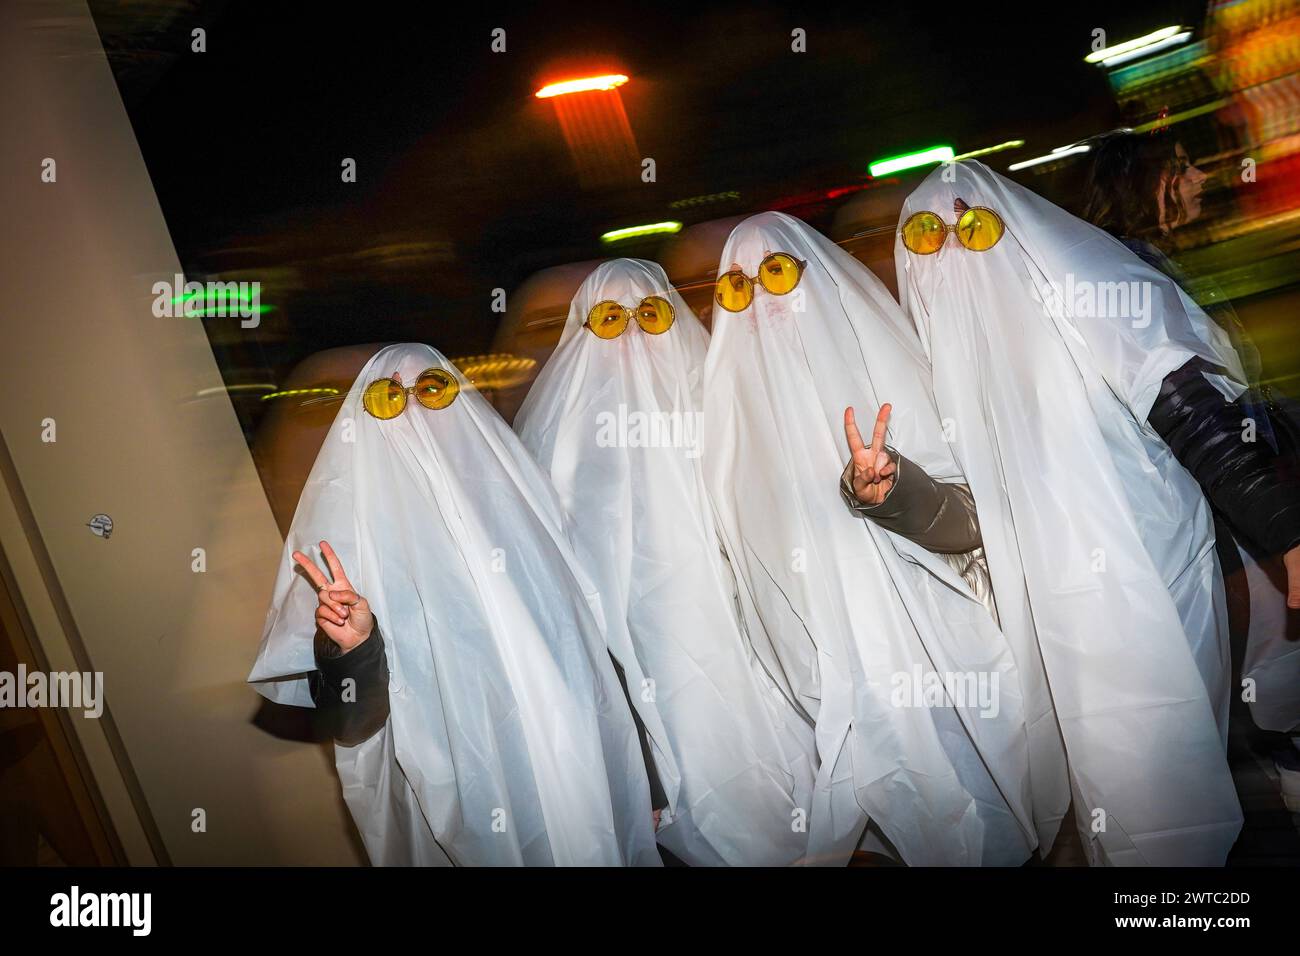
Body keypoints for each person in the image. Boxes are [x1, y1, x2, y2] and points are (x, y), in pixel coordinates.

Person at [882, 158, 1248, 865]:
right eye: (926, 236)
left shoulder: (1092, 321)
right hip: (1051, 625)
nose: (952, 249)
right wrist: (895, 492)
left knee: (1166, 796)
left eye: (975, 229)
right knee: (1107, 808)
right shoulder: (936, 370)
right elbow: (970, 519)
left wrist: (1284, 528)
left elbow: (1198, 419)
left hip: (1154, 592)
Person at [703, 211, 1048, 866]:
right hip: (822, 699)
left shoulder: (888, 369)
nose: (760, 299)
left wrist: (888, 491)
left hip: (939, 669)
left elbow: (971, 522)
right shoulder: (722, 432)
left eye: (776, 274)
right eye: (737, 288)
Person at [248, 343, 662, 866]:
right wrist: (354, 649)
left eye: (432, 392)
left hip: (581, 770)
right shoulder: (349, 561)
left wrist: (643, 782)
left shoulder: (526, 511)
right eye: (389, 401)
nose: (415, 414)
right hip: (462, 808)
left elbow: (598, 649)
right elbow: (352, 725)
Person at [514, 258, 818, 866]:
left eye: (649, 316)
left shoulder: (721, 411)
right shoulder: (553, 455)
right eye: (610, 320)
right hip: (652, 705)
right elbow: (569, 628)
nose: (631, 334)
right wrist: (642, 770)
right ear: (583, 331)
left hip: (764, 675)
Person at [1083, 129, 1300, 774]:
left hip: (1235, 494)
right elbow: (1192, 408)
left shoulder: (1151, 261)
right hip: (1216, 507)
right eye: (1181, 167)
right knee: (1259, 676)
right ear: (1140, 184)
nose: (1202, 176)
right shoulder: (1126, 275)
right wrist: (1281, 523)